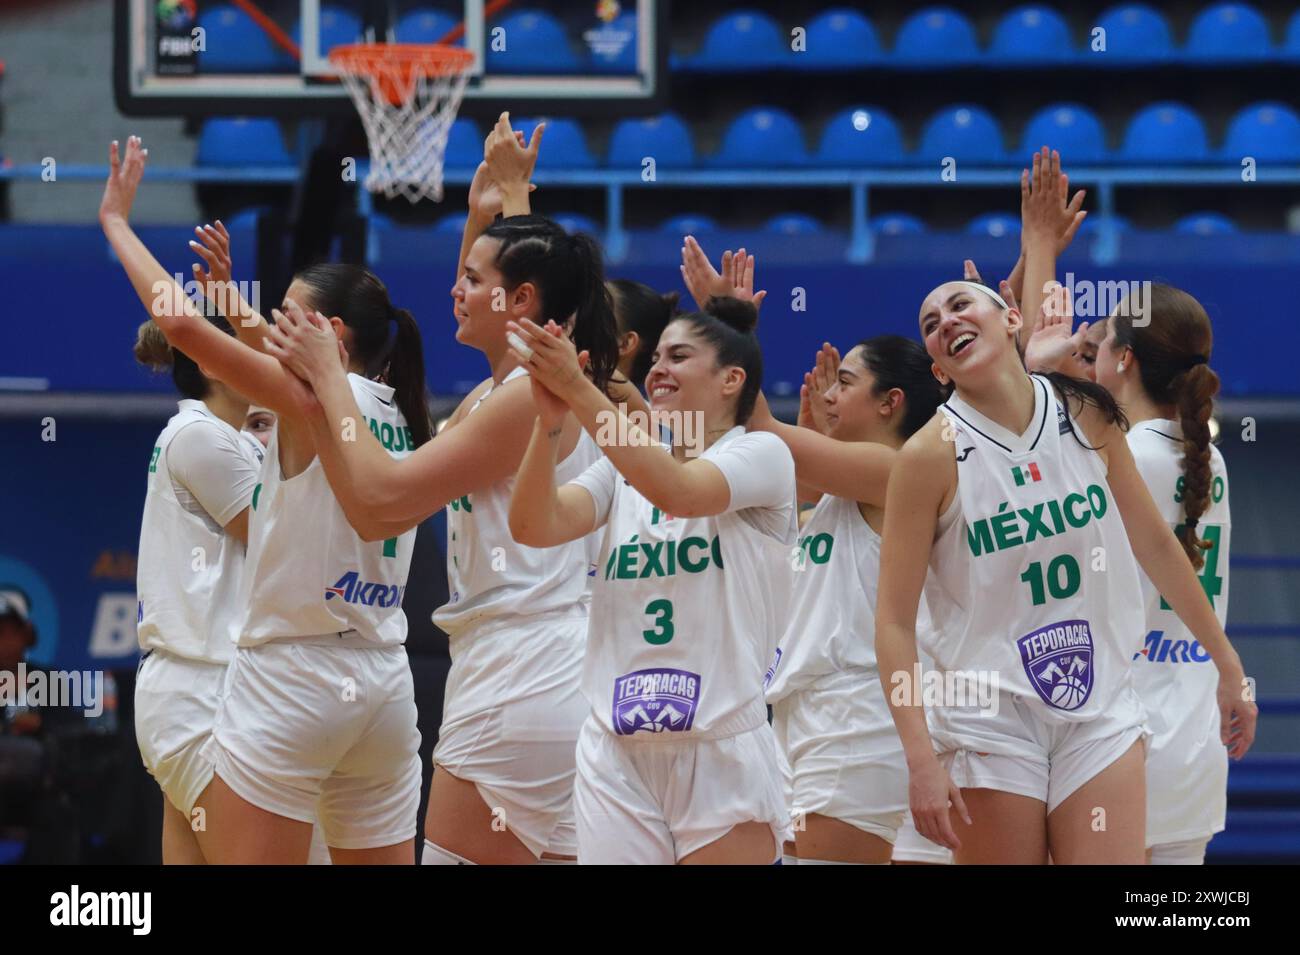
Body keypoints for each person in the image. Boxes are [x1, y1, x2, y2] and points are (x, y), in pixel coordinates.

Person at [263, 114, 629, 864]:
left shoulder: (524, 396)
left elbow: (379, 499)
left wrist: (330, 377)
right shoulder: (532, 383)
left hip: (515, 670)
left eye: (471, 279)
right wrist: (494, 205)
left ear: (521, 301)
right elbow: (529, 282)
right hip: (559, 673)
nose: (454, 288)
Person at [100, 135, 429, 864]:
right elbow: (283, 374)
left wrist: (119, 225)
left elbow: (181, 328)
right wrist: (231, 299)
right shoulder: (404, 414)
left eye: (286, 316)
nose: (270, 325)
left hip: (293, 679)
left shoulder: (304, 404)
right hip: (382, 679)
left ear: (328, 335)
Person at [503, 294, 796, 864]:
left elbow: (679, 492)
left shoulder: (763, 455)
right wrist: (549, 422)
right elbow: (533, 525)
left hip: (719, 745)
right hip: (615, 748)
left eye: (679, 356)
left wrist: (579, 387)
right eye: (656, 356)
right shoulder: (622, 468)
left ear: (732, 378)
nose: (657, 369)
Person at [1094, 287, 1232, 865]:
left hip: (1124, 735)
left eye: (1099, 341)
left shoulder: (1123, 458)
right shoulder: (1208, 458)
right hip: (1195, 736)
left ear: (1124, 358)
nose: (1091, 353)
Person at [131, 316, 259, 864]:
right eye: (243, 349)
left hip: (200, 688)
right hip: (203, 691)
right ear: (210, 362)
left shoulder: (230, 436)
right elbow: (285, 542)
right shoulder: (201, 436)